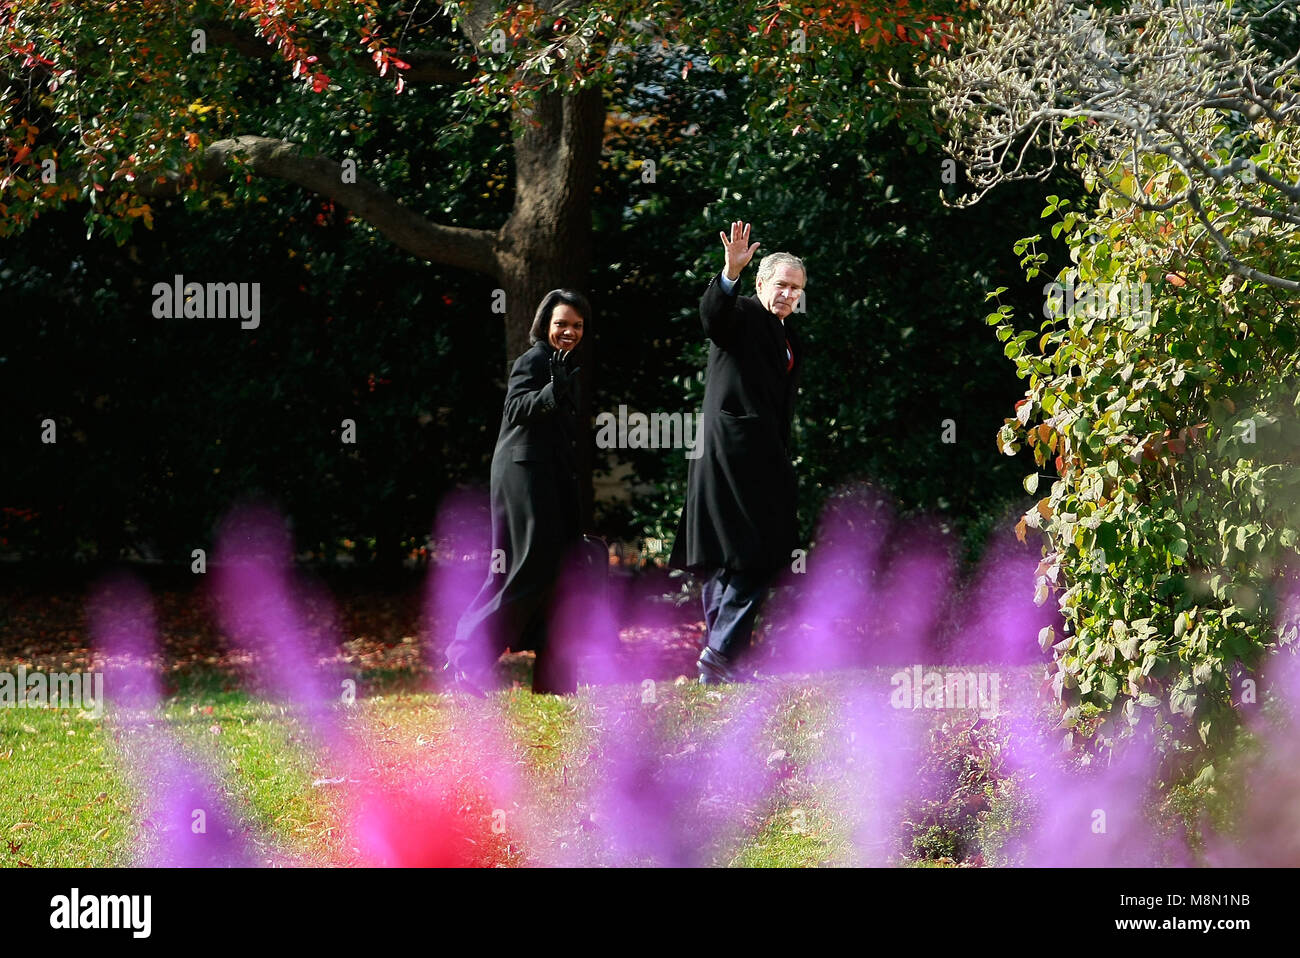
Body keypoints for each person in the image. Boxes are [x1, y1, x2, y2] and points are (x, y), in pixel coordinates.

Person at [669, 221, 806, 684]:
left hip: (764, 459)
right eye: (782, 285)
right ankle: (721, 654)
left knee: (734, 557)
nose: (789, 294)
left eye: (797, 289)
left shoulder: (790, 337)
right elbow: (714, 317)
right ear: (762, 283)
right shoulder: (743, 313)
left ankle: (722, 658)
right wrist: (730, 274)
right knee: (753, 554)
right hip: (729, 455)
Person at [443, 289, 589, 696]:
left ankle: (555, 684)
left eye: (577, 326)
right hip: (525, 478)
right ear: (545, 324)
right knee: (531, 568)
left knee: (561, 571)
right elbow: (516, 410)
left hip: (552, 479)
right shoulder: (535, 359)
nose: (569, 332)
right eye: (562, 324)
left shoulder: (566, 365)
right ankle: (466, 657)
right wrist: (551, 391)